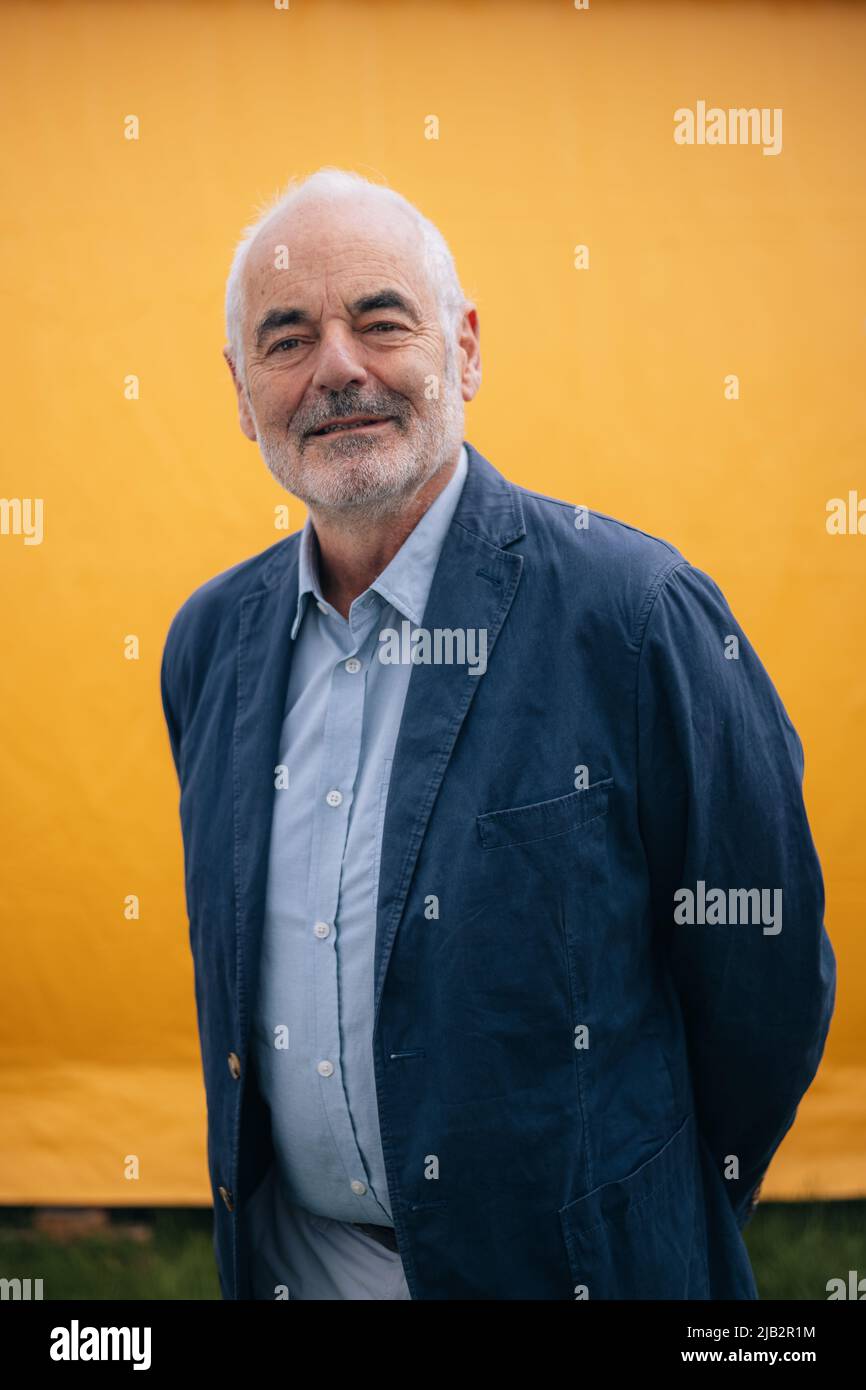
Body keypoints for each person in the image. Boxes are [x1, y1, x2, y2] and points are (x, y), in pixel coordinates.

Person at [160, 167, 836, 1300]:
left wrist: (645, 1196)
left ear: (464, 348)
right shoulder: (209, 644)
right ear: (241, 391)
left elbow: (760, 979)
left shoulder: (635, 616)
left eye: (381, 321)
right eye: (287, 338)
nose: (337, 368)